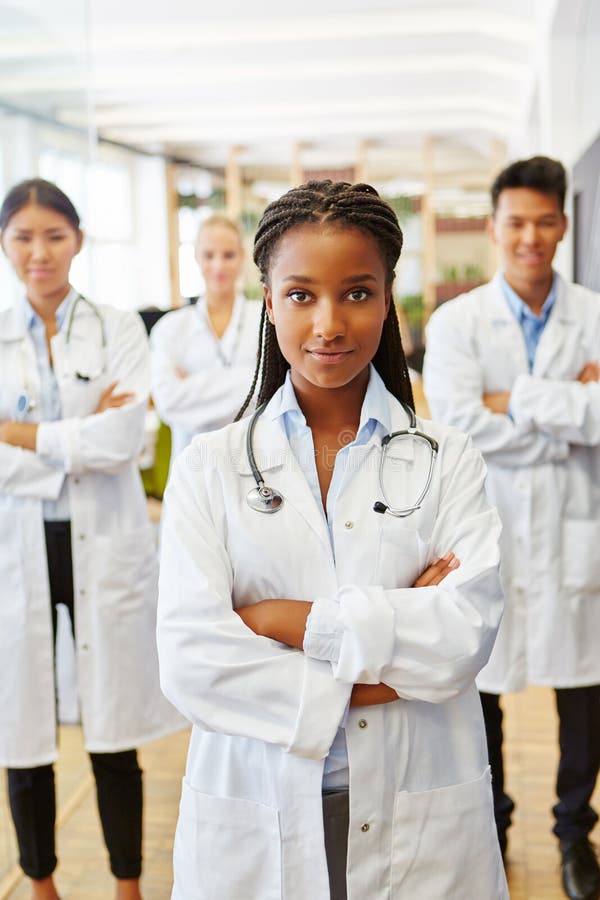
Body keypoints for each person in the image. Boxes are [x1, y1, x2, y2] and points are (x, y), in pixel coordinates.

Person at [156, 180, 508, 899]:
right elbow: (194, 663)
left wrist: (280, 621)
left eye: (356, 292)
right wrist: (386, 660)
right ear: (268, 298)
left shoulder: (448, 457)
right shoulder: (209, 468)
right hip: (257, 808)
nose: (328, 323)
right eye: (300, 294)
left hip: (419, 808)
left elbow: (462, 636)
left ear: (388, 298)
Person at [0, 178, 183, 900]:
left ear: (76, 240)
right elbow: (94, 437)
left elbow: (123, 437)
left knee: (113, 724)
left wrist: (20, 435)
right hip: (19, 551)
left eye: (54, 235)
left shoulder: (118, 329)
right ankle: (40, 883)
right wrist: (77, 436)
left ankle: (127, 884)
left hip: (101, 543)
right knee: (22, 722)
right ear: (5, 245)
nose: (39, 251)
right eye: (22, 237)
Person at [423, 156, 600, 900]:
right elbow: (459, 425)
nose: (531, 236)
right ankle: (488, 826)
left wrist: (515, 399)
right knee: (480, 687)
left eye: (545, 221)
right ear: (495, 227)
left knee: (583, 693)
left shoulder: (593, 313)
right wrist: (566, 407)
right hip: (489, 527)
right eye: (516, 222)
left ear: (563, 226)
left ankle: (572, 836)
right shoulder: (456, 322)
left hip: (576, 527)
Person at [150, 214, 262, 461]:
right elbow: (168, 402)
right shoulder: (170, 328)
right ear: (196, 257)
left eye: (228, 255)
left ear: (243, 256)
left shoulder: (266, 320)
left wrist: (192, 385)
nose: (219, 266)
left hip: (250, 458)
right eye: (209, 255)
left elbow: (271, 388)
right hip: (191, 462)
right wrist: (247, 380)